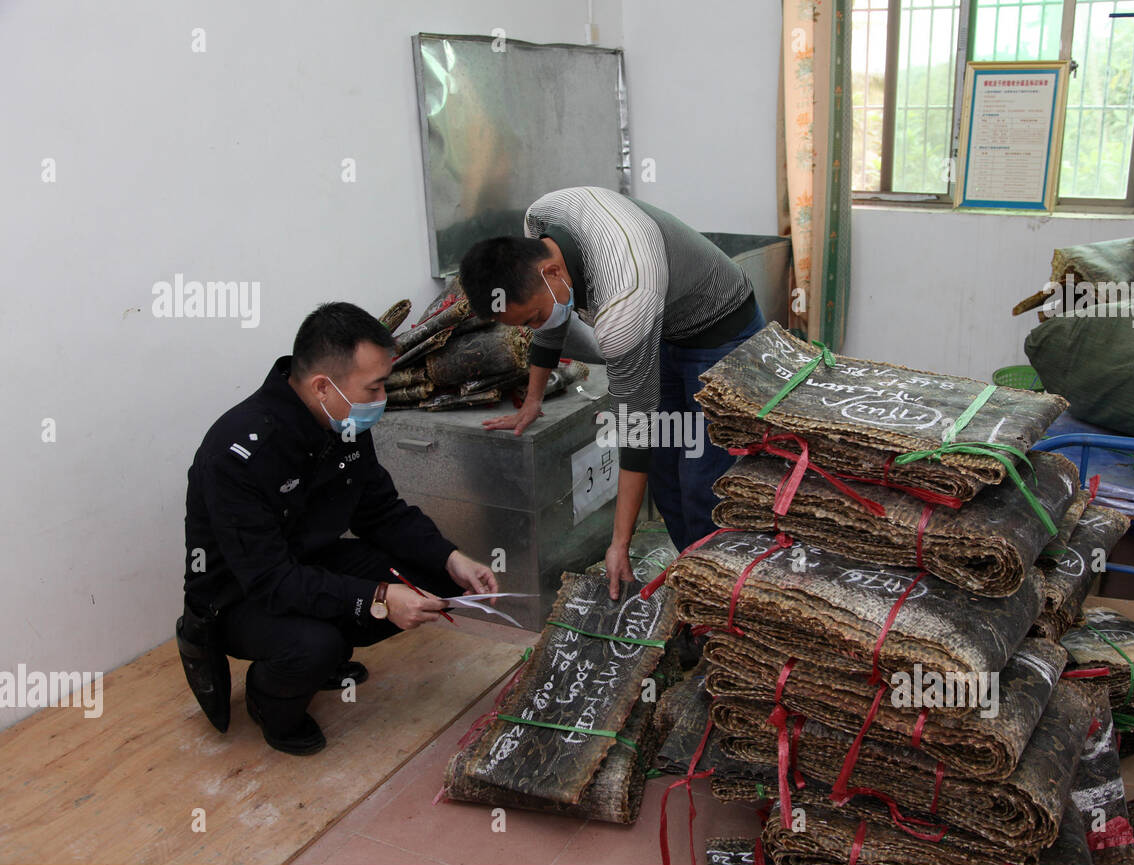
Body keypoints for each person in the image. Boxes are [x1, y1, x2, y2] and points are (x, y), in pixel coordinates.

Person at [180, 302, 497, 755]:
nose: (382, 399)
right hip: (239, 595)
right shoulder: (240, 454)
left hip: (308, 563)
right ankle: (270, 699)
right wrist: (379, 599)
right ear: (323, 386)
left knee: (435, 579)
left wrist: (452, 557)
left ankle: (323, 649)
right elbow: (270, 581)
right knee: (318, 644)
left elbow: (380, 511)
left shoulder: (341, 420)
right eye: (374, 387)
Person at [459, 186, 765, 600]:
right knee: (663, 469)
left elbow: (635, 431)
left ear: (551, 272)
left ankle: (722, 603)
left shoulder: (625, 298)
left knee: (702, 478)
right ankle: (694, 582)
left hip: (719, 328)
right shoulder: (541, 219)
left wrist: (619, 543)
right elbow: (549, 324)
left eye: (532, 316)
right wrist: (532, 400)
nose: (534, 327)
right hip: (665, 321)